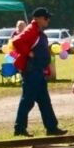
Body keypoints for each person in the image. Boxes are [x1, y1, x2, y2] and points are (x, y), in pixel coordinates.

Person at [9, 7, 62, 136]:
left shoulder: (37, 30)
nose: (48, 20)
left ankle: (51, 128)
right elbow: (16, 41)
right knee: (28, 101)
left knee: (44, 101)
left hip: (38, 71)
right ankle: (19, 128)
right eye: (45, 17)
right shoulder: (31, 29)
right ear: (37, 19)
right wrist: (29, 52)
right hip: (32, 72)